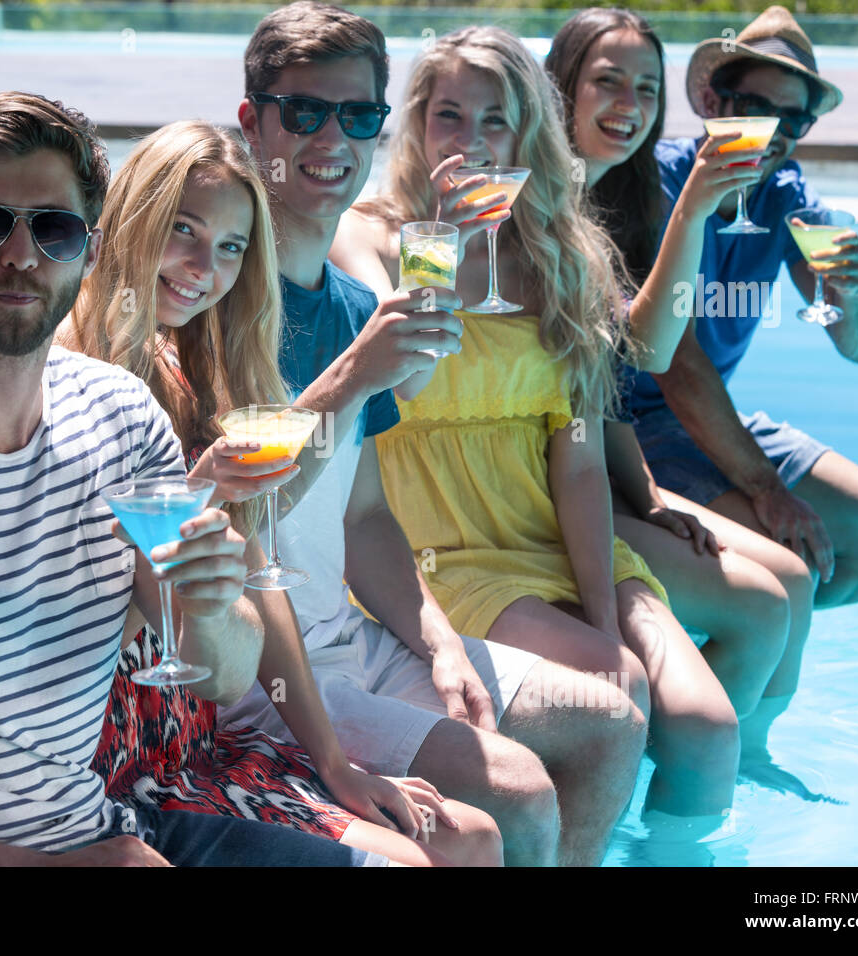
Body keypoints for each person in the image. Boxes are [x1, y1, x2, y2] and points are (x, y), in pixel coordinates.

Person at [0, 90, 385, 866]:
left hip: (108, 823)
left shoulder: (123, 413)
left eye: (54, 229)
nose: (22, 256)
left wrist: (212, 601)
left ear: (89, 249)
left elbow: (221, 676)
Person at [228, 2, 649, 867]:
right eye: (304, 112)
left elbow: (367, 518)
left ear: (381, 126)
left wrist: (441, 644)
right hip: (252, 662)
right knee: (517, 798)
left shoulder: (351, 306)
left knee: (610, 723)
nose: (329, 137)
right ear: (253, 121)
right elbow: (231, 527)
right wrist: (358, 367)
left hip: (356, 639)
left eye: (355, 115)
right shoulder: (216, 300)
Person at [331, 25, 741, 828]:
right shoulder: (368, 234)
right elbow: (405, 383)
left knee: (708, 728)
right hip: (441, 548)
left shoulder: (562, 256)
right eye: (451, 116)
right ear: (417, 123)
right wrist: (440, 249)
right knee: (617, 683)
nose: (474, 142)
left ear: (526, 133)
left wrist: (600, 604)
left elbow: (581, 461)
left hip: (550, 533)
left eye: (497, 121)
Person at [64, 119, 502, 866]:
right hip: (104, 749)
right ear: (133, 216)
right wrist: (203, 491)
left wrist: (335, 763)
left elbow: (260, 583)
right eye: (185, 230)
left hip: (192, 726)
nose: (205, 266)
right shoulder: (67, 370)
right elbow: (98, 586)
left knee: (472, 838)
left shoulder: (190, 372)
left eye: (232, 247)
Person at [545, 7, 826, 797]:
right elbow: (661, 366)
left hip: (600, 460)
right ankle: (675, 786)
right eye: (607, 81)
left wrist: (646, 497)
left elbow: (613, 379)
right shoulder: (536, 207)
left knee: (794, 584)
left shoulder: (623, 208)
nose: (628, 102)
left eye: (644, 86)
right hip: (537, 484)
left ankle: (735, 765)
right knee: (763, 608)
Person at [627, 5, 858, 613]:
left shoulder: (786, 194)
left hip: (712, 419)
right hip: (629, 430)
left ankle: (744, 647)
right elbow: (674, 365)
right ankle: (743, 636)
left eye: (795, 118)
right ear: (713, 100)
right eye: (761, 108)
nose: (777, 131)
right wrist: (766, 488)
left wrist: (851, 292)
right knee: (786, 563)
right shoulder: (655, 185)